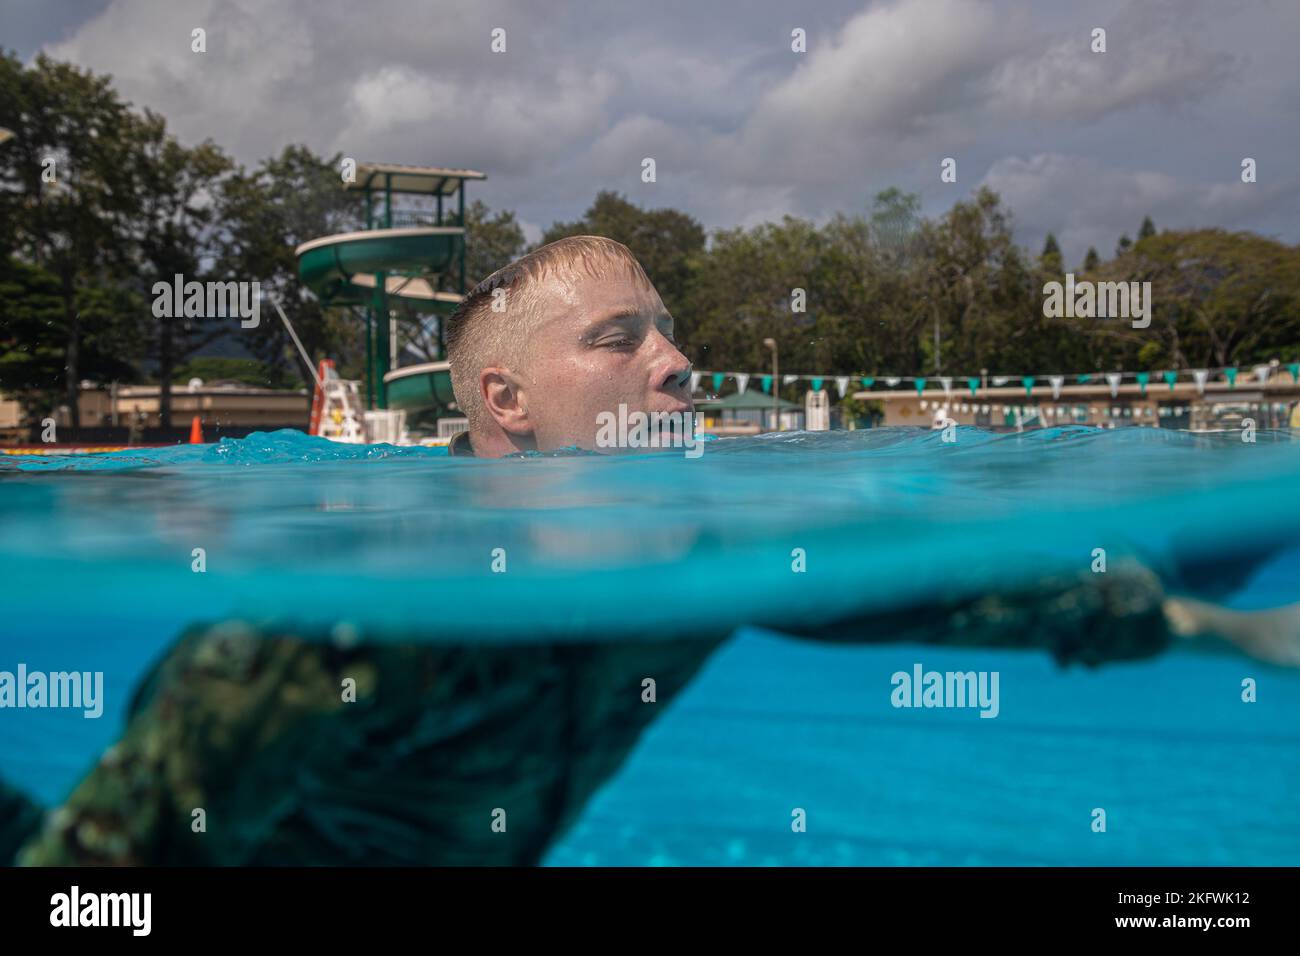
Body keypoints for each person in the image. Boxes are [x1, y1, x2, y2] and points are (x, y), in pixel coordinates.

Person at [14, 237, 1300, 866]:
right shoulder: (340, 628)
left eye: (668, 329)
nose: (678, 361)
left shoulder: (702, 550)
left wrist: (1235, 630)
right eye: (620, 337)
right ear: (506, 402)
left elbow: (971, 596)